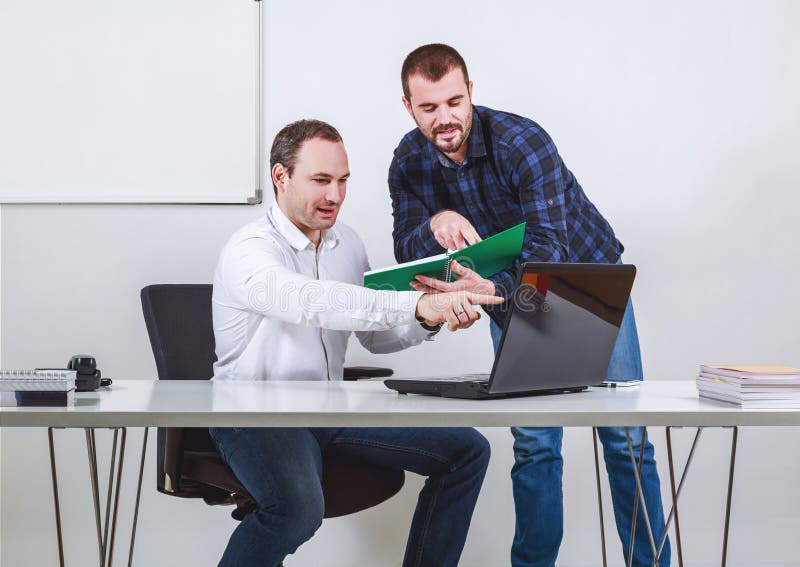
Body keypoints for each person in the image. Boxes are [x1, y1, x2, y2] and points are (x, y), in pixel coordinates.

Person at [388, 44, 670, 567]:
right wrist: (434, 222)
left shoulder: (521, 141)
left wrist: (485, 288)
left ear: (471, 92)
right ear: (409, 107)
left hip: (586, 284)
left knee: (625, 437)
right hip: (505, 294)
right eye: (429, 108)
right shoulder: (408, 160)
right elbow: (407, 250)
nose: (445, 118)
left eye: (454, 102)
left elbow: (548, 252)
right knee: (535, 441)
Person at [209, 118, 502, 567]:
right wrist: (416, 304)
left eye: (343, 180)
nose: (335, 195)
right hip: (256, 415)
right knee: (296, 510)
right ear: (281, 176)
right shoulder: (248, 251)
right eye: (321, 180)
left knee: (467, 451)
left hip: (328, 408)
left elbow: (375, 334)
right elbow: (312, 302)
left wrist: (429, 316)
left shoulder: (346, 243)